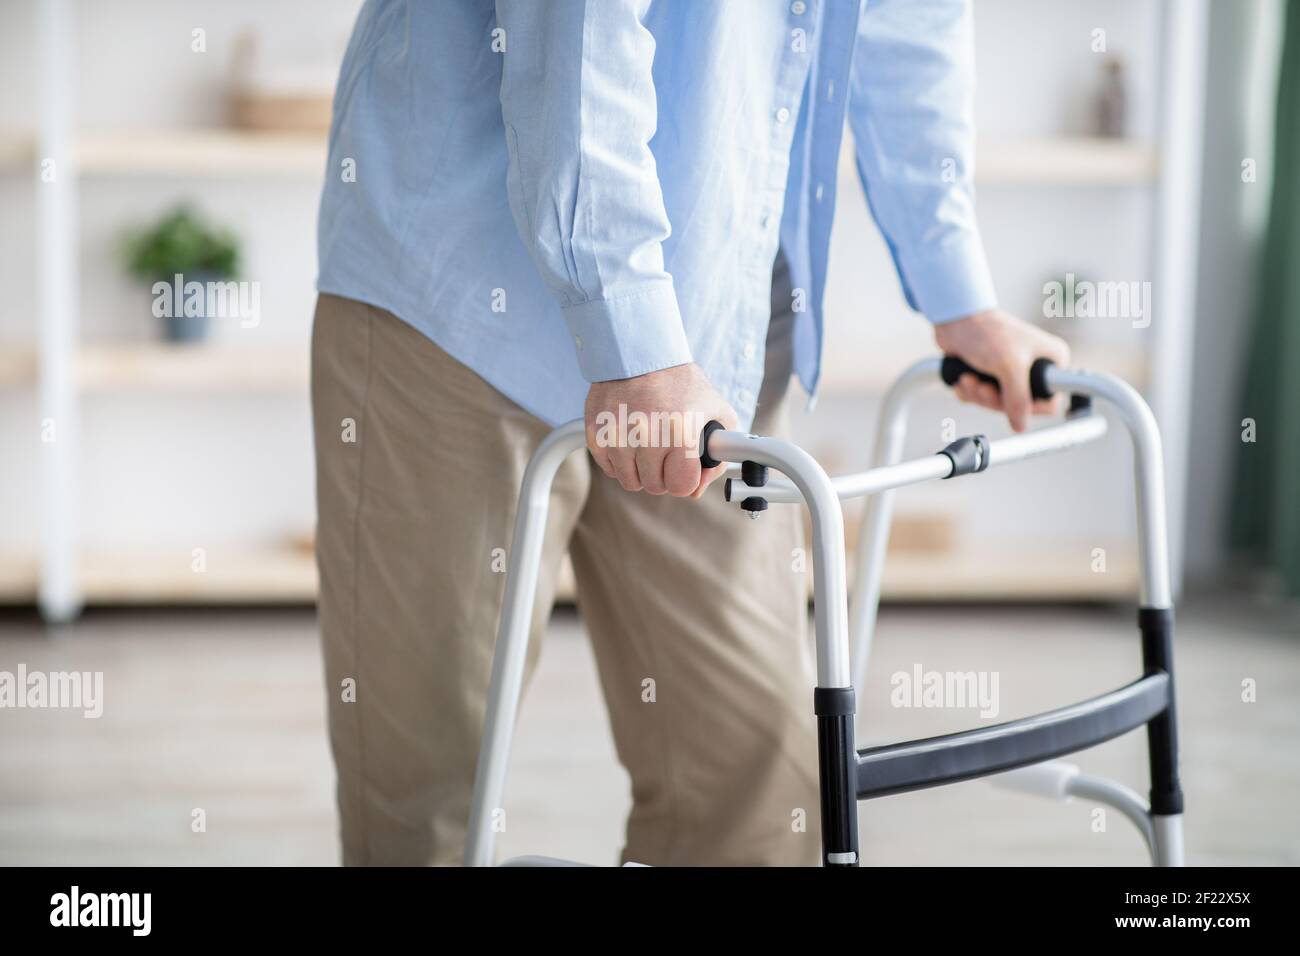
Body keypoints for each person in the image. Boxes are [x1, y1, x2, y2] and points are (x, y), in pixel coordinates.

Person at [311, 0, 1069, 866]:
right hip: (457, 294)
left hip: (715, 317)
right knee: (428, 795)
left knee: (760, 786)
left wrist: (956, 286)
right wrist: (629, 333)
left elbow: (907, 20)